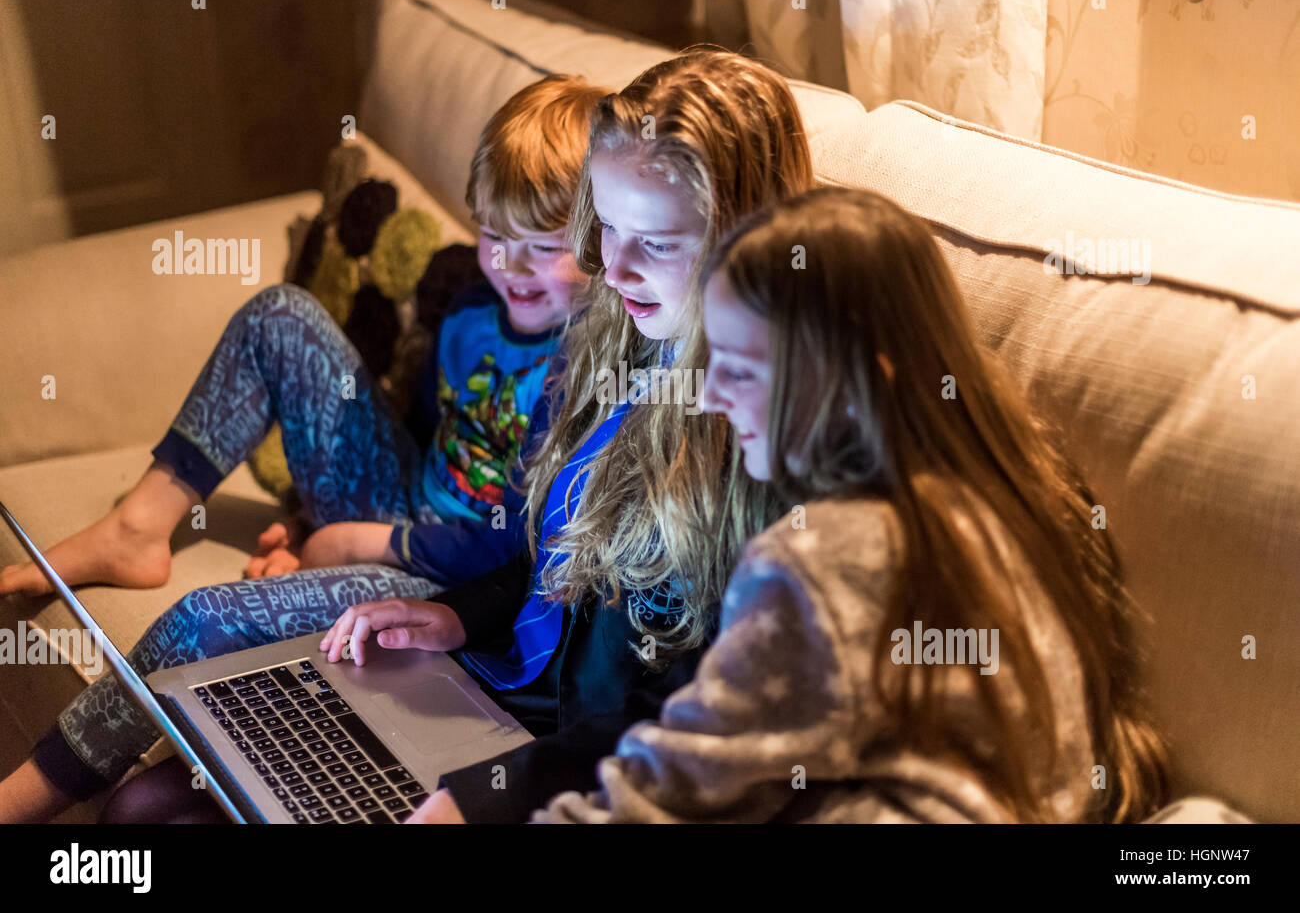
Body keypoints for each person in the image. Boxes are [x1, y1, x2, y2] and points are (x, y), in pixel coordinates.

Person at [0, 73, 606, 823]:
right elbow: (417, 436)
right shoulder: (472, 305)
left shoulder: (587, 365)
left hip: (450, 586)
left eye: (542, 248)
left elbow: (516, 550)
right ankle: (139, 527)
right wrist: (312, 504)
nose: (509, 266)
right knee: (280, 314)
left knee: (201, 620)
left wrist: (363, 540)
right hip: (408, 502)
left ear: (605, 242)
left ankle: (20, 802)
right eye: (494, 236)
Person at [534, 187, 1171, 823]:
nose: (709, 398)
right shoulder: (1019, 505)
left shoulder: (824, 561)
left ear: (857, 383)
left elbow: (664, 799)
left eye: (742, 369)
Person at [321, 48, 816, 824]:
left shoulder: (765, 434)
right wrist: (455, 615)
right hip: (499, 692)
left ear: (745, 232)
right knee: (163, 798)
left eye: (652, 242)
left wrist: (485, 797)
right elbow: (547, 552)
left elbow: (697, 709)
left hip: (584, 766)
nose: (609, 269)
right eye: (605, 228)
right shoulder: (612, 336)